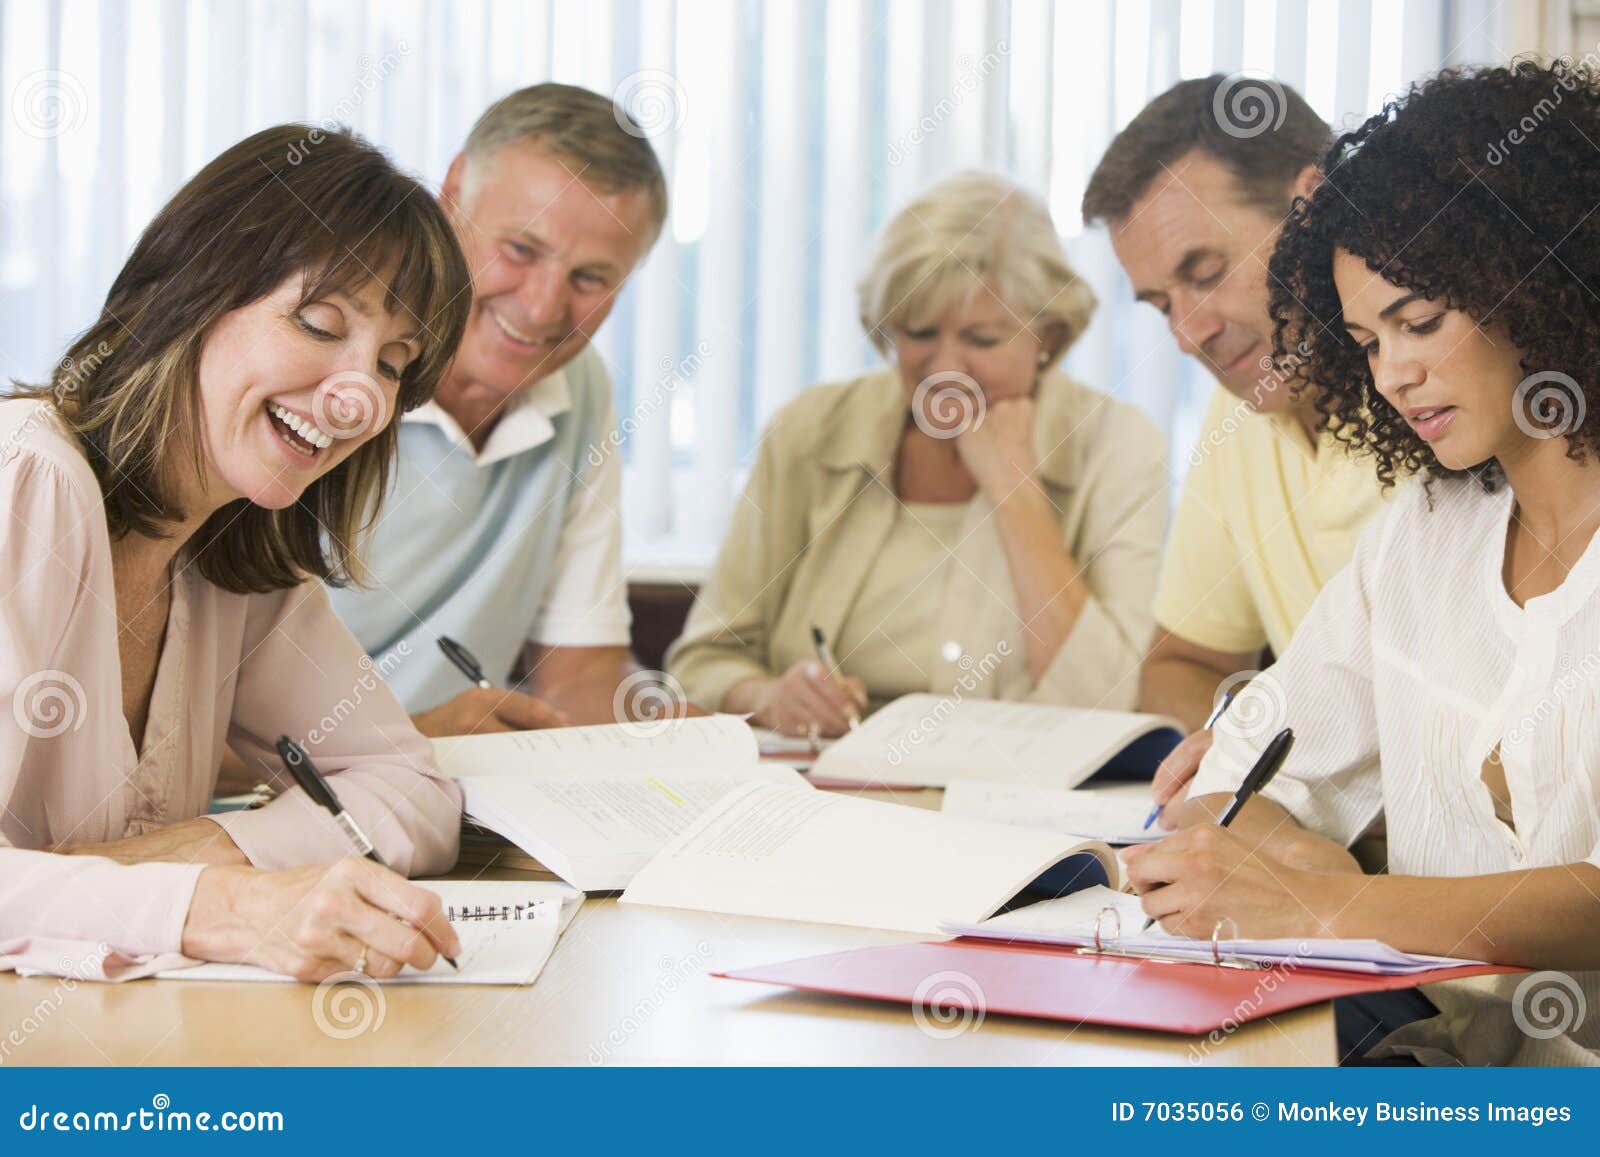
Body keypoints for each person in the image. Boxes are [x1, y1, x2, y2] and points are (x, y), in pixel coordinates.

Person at [1128, 61, 1600, 1065]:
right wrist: (1275, 852)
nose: (1392, 374)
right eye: (1363, 339)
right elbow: (1233, 784)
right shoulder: (1422, 533)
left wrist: (1326, 897)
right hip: (1446, 1077)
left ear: (1541, 281)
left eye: (1418, 322)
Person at [0, 124, 472, 982]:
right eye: (321, 323)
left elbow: (411, 788)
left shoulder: (236, 551)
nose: (359, 399)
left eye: (394, 365)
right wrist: (221, 904)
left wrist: (215, 843)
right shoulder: (24, 482)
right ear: (188, 293)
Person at [667, 172, 1168, 737]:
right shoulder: (809, 432)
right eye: (919, 332)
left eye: (983, 339)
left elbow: (1108, 703)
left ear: (1047, 334)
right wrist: (770, 698)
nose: (946, 372)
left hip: (1011, 797)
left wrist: (1014, 488)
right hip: (821, 785)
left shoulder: (1118, 446)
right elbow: (701, 663)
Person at [1081, 75, 1388, 809]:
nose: (1188, 334)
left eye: (1206, 272)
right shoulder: (1238, 427)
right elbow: (1178, 664)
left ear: (1312, 206)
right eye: (1162, 304)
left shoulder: (1448, 404)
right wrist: (1248, 741)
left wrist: (1275, 757)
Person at [324, 83, 668, 739]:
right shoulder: (330, 363)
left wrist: (663, 737)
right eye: (520, 250)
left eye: (591, 278)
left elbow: (578, 677)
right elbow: (188, 722)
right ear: (451, 195)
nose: (542, 309)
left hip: (444, 797)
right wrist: (415, 737)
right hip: (263, 806)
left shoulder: (582, 387)